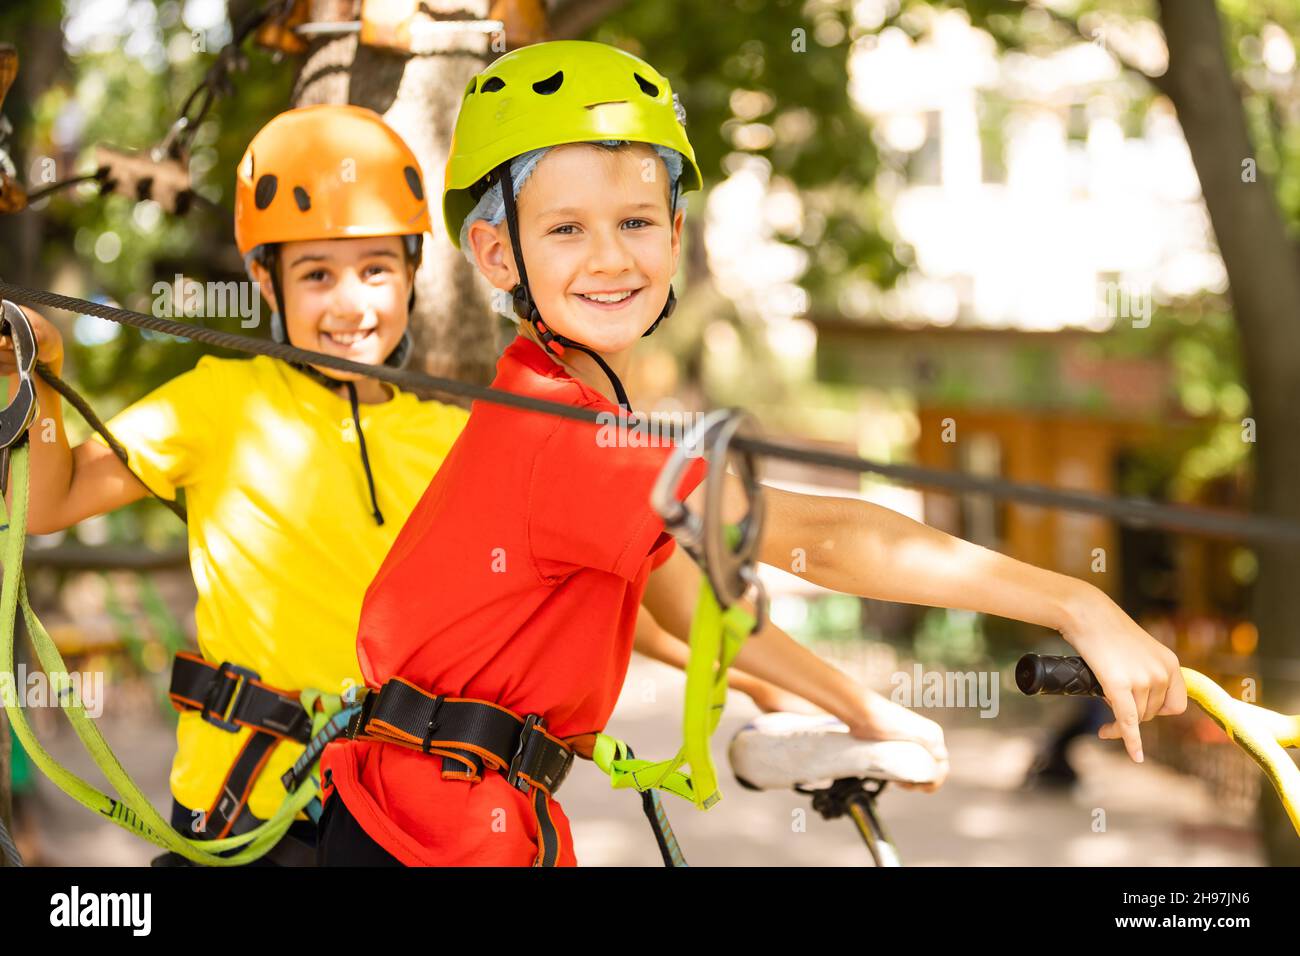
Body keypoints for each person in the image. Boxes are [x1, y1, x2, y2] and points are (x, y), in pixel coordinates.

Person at [318, 40, 1184, 867]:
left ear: (675, 230)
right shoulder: (565, 434)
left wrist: (833, 699)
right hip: (431, 837)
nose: (612, 256)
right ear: (498, 252)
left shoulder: (564, 404)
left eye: (634, 220)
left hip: (447, 824)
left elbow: (679, 601)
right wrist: (1076, 605)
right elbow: (820, 537)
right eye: (567, 231)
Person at [0, 103, 867, 865]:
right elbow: (50, 502)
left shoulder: (460, 432)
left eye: (377, 270)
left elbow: (614, 605)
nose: (352, 303)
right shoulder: (220, 401)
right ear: (265, 281)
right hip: (249, 808)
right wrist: (41, 374)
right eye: (316, 275)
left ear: (415, 274)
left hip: (401, 813)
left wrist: (761, 680)